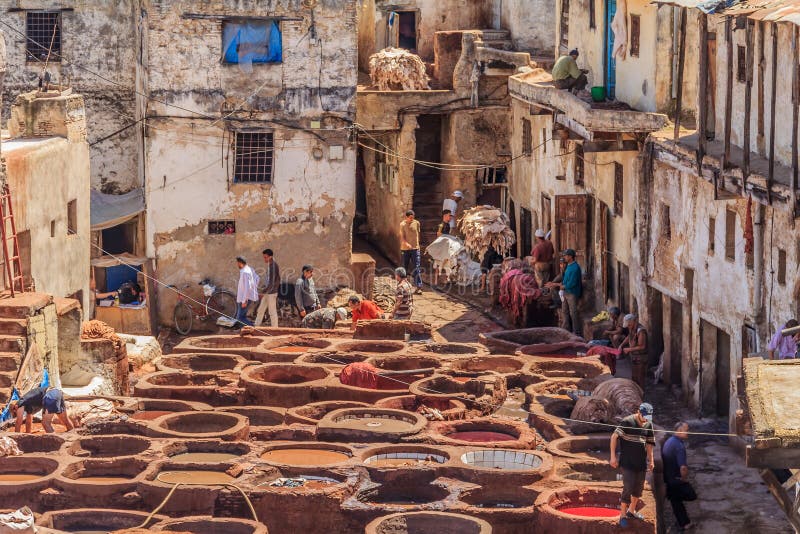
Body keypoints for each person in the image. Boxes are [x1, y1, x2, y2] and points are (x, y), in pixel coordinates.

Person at [610, 402, 656, 528]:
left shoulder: (648, 424)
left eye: (648, 416)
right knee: (628, 487)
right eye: (644, 415)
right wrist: (613, 457)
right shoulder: (627, 422)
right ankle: (623, 515)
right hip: (627, 463)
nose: (646, 418)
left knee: (638, 489)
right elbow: (614, 437)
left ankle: (631, 511)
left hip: (640, 463)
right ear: (638, 412)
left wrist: (651, 460)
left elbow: (649, 445)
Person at [662, 422, 697, 531]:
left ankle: (684, 523)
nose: (688, 432)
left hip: (668, 477)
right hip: (675, 479)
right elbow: (683, 468)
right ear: (680, 431)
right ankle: (684, 523)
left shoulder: (669, 441)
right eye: (686, 430)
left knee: (676, 502)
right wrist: (683, 479)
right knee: (691, 495)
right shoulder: (679, 446)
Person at [9, 386, 75, 433]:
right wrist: (27, 434)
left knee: (45, 423)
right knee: (65, 420)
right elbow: (28, 421)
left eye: (15, 412)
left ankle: (54, 444)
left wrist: (16, 438)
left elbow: (18, 422)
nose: (16, 413)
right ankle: (72, 436)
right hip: (56, 392)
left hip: (50, 395)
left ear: (15, 407)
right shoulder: (28, 404)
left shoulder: (19, 403)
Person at [547, 249, 582, 335]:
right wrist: (556, 284)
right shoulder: (569, 266)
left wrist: (560, 286)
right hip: (566, 292)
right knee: (564, 311)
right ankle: (566, 330)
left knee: (573, 312)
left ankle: (576, 332)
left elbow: (572, 283)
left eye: (566, 256)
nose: (565, 257)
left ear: (570, 257)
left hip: (572, 293)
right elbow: (565, 280)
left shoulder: (575, 268)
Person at [254, 248, 281, 328]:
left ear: (270, 257)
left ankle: (275, 329)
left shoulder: (273, 265)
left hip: (271, 293)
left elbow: (272, 282)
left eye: (265, 257)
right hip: (268, 292)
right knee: (261, 310)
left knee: (272, 312)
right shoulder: (270, 264)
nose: (264, 259)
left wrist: (263, 292)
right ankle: (256, 326)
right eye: (264, 257)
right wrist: (265, 291)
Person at [400, 210, 423, 293]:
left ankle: (419, 286)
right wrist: (406, 243)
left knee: (416, 267)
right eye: (410, 218)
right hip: (405, 249)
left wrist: (417, 245)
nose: (412, 219)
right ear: (406, 217)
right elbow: (402, 237)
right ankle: (403, 286)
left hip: (415, 249)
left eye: (413, 218)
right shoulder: (402, 225)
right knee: (404, 267)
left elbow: (418, 234)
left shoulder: (417, 223)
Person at [235, 256, 259, 327]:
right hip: (247, 297)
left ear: (240, 263)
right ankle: (246, 333)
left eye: (237, 263)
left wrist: (244, 300)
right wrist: (254, 289)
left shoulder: (245, 272)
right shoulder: (250, 269)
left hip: (244, 298)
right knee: (243, 317)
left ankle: (253, 329)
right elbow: (258, 278)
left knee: (240, 318)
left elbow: (247, 287)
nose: (237, 265)